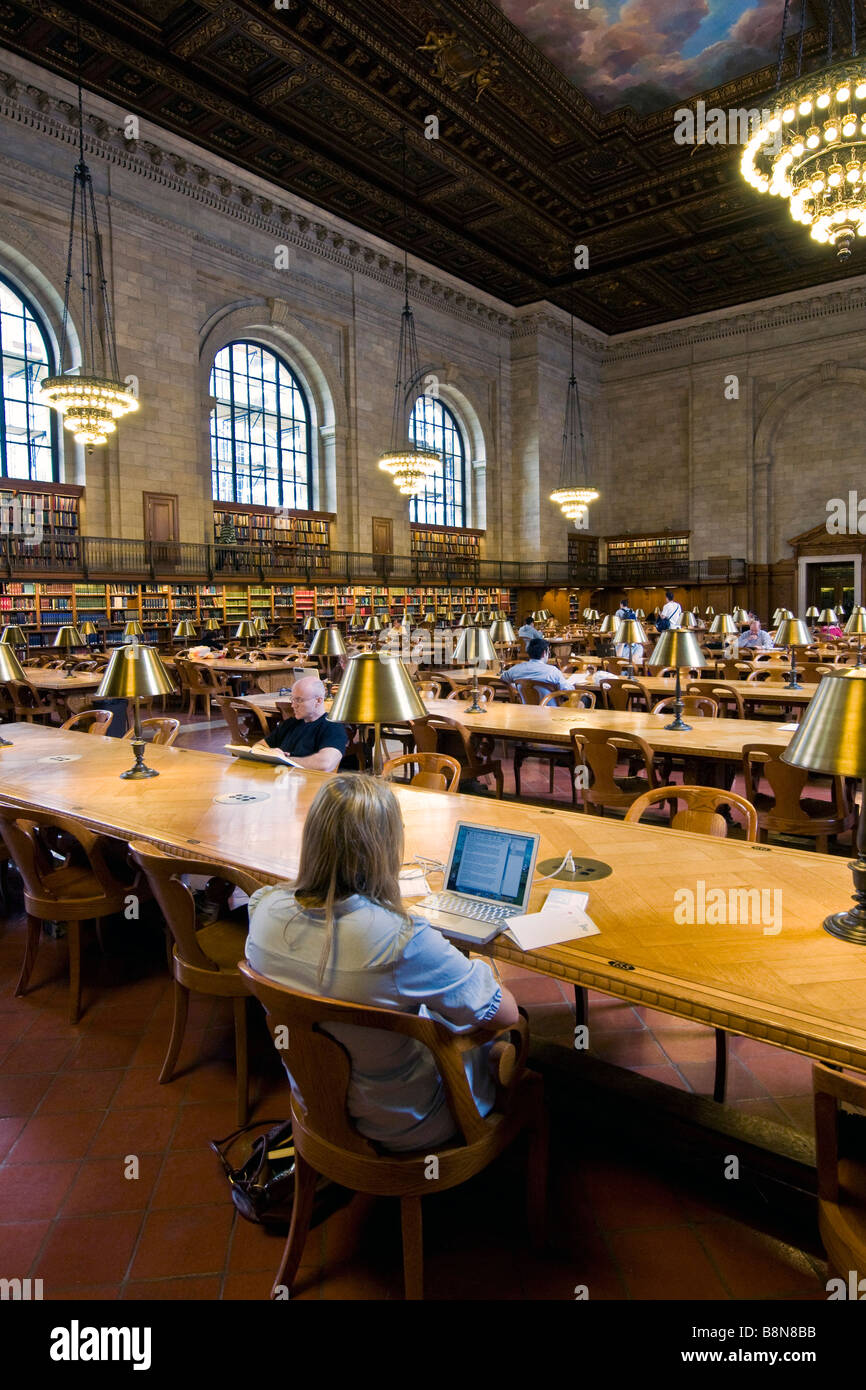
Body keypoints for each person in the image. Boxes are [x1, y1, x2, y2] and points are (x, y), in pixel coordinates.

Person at [245, 775, 518, 1152]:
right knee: (512, 1038)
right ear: (384, 846)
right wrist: (481, 973)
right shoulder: (400, 940)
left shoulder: (262, 910)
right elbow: (504, 1015)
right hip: (409, 1123)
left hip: (317, 1106)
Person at [252, 674, 347, 770]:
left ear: (318, 701)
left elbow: (325, 763)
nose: (293, 705)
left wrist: (283, 759)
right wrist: (271, 753)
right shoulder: (290, 723)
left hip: (311, 782)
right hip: (282, 779)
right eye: (292, 699)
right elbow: (257, 747)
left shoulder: (333, 727)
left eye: (299, 700)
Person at [501, 636, 577, 691]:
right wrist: (572, 686)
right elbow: (567, 690)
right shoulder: (553, 671)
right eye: (548, 652)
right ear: (544, 653)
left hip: (526, 709)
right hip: (551, 710)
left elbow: (503, 678)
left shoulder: (516, 669)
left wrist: (515, 686)